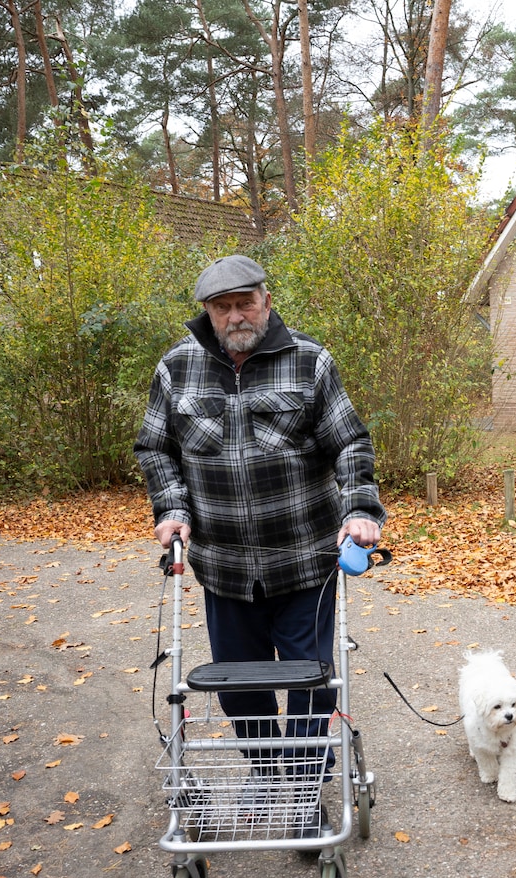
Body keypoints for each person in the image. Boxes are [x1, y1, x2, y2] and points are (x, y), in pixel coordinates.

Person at [134, 254, 384, 814]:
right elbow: (156, 448)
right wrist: (171, 506)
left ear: (266, 302)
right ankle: (267, 774)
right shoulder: (176, 367)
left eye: (245, 303)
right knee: (239, 685)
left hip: (304, 562)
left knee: (311, 681)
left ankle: (302, 784)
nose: (235, 316)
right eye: (222, 307)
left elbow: (349, 442)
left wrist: (359, 508)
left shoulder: (310, 361)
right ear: (207, 312)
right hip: (223, 567)